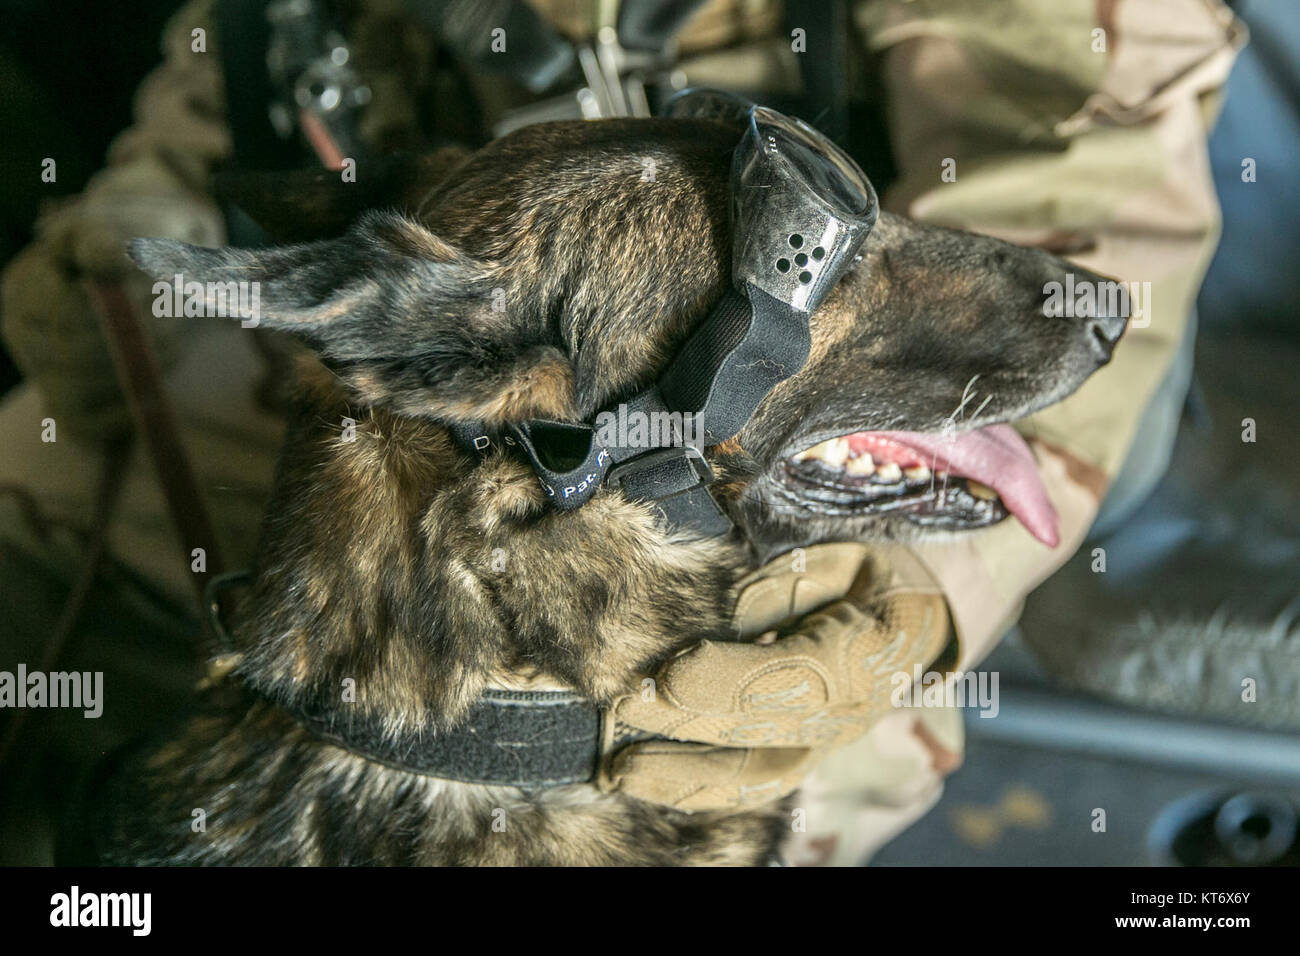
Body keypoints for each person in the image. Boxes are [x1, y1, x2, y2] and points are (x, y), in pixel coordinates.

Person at [0, 0, 1243, 865]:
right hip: (429, 346)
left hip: (842, 367)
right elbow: (220, 88)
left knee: (747, 758)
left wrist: (929, 588)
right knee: (35, 541)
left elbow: (1088, 193)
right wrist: (126, 245)